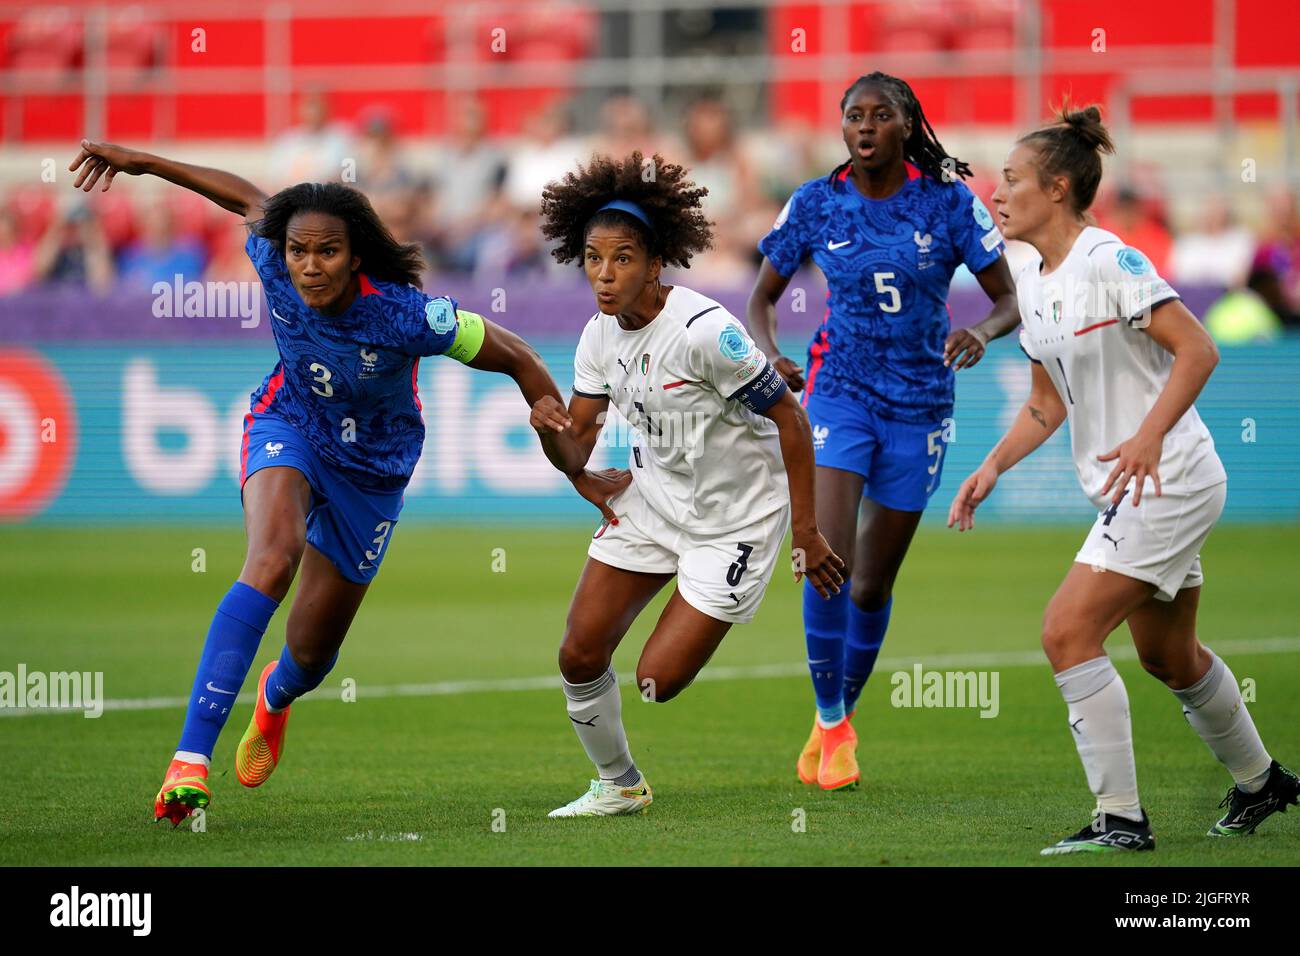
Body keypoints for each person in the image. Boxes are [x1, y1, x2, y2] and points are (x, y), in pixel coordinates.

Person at [67, 138, 572, 826]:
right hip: (290, 425)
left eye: (326, 252)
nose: (308, 266)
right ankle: (189, 760)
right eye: (299, 251)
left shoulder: (406, 315)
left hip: (374, 472)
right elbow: (245, 197)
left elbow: (519, 355)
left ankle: (276, 698)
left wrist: (564, 447)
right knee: (272, 557)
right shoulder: (274, 259)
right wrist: (146, 164)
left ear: (355, 254)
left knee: (310, 653)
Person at [948, 105, 1299, 854]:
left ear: (1060, 186)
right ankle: (1262, 782)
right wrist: (990, 468)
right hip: (1135, 485)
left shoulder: (1109, 259)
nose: (997, 194)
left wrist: (1146, 436)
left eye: (1011, 180)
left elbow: (1197, 350)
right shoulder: (1030, 279)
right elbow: (1046, 404)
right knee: (1169, 656)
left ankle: (1121, 820)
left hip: (1168, 476)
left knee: (1066, 631)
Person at [531, 151, 845, 816]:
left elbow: (790, 418)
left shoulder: (706, 332)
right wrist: (551, 435)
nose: (605, 274)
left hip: (738, 519)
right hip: (653, 501)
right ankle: (619, 785)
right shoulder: (596, 337)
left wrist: (807, 532)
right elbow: (577, 443)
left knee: (655, 682)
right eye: (593, 258)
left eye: (622, 258)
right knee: (579, 652)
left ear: (654, 261)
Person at [746, 71, 1020, 791]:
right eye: (853, 116)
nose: (864, 127)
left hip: (922, 403)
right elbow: (760, 298)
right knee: (827, 551)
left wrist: (984, 332)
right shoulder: (815, 202)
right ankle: (833, 721)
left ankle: (834, 721)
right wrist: (769, 350)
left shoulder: (949, 203)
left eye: (880, 115)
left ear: (907, 126)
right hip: (839, 393)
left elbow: (1010, 298)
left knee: (870, 584)